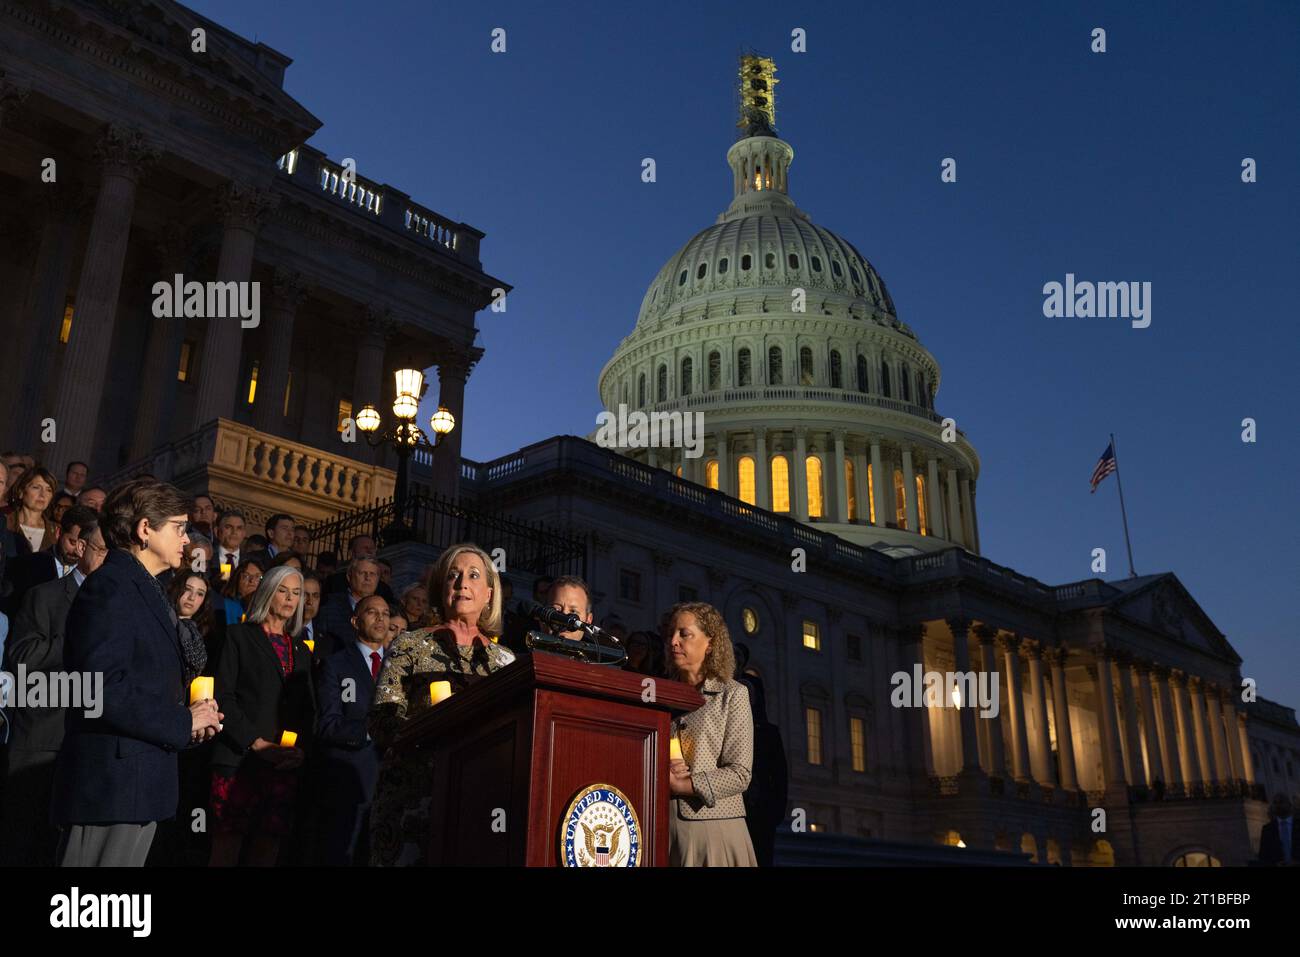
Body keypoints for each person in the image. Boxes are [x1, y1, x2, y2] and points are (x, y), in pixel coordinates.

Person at [50, 479, 221, 867]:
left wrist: (190, 723)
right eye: (178, 527)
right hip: (112, 785)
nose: (186, 540)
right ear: (145, 530)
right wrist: (181, 720)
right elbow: (99, 689)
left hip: (138, 782)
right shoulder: (111, 587)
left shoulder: (146, 588)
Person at [368, 543, 517, 866]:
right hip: (413, 800)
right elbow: (381, 723)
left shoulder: (504, 662)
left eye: (473, 575)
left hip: (478, 801)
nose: (462, 582)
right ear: (441, 588)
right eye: (454, 575)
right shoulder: (409, 645)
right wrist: (433, 726)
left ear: (489, 594)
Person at [0, 518, 107, 865]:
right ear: (80, 548)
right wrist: (77, 641)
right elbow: (21, 656)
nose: (106, 559)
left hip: (87, 744)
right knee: (20, 842)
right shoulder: (43, 595)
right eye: (101, 549)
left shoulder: (114, 608)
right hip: (40, 740)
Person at [208, 565, 315, 867]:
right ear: (268, 591)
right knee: (226, 849)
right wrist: (256, 743)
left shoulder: (301, 649)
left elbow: (308, 709)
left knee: (268, 849)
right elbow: (223, 696)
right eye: (283, 590)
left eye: (297, 593)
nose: (290, 598)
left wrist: (300, 751)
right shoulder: (237, 636)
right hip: (239, 758)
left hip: (283, 765)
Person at [664, 602, 756, 867]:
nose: (673, 641)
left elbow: (740, 774)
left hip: (715, 833)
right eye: (671, 633)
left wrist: (682, 785)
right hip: (663, 828)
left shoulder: (733, 694)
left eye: (684, 634)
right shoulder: (659, 695)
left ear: (711, 642)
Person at [315, 593, 389, 866]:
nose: (381, 618)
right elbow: (327, 725)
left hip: (391, 783)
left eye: (385, 612)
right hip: (350, 782)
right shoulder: (335, 664)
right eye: (372, 612)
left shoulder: (401, 666)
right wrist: (373, 728)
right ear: (355, 621)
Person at [315, 557, 381, 663]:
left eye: (372, 574)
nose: (368, 578)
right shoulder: (329, 605)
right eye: (362, 573)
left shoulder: (386, 609)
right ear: (349, 576)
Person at [545, 575, 594, 642]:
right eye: (557, 609)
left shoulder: (598, 652)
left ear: (588, 620)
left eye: (573, 612)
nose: (564, 618)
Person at [1259, 793, 1299, 865]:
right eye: (1275, 803)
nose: (1278, 805)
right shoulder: (1267, 829)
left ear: (1289, 804)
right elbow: (1263, 855)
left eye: (1281, 802)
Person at [214, 509, 246, 575]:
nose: (234, 532)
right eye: (228, 527)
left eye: (239, 528)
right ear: (216, 531)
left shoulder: (250, 561)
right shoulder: (206, 556)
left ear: (244, 533)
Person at [300, 571, 323, 650]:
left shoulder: (328, 640)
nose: (310, 602)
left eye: (315, 596)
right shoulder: (282, 633)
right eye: (304, 595)